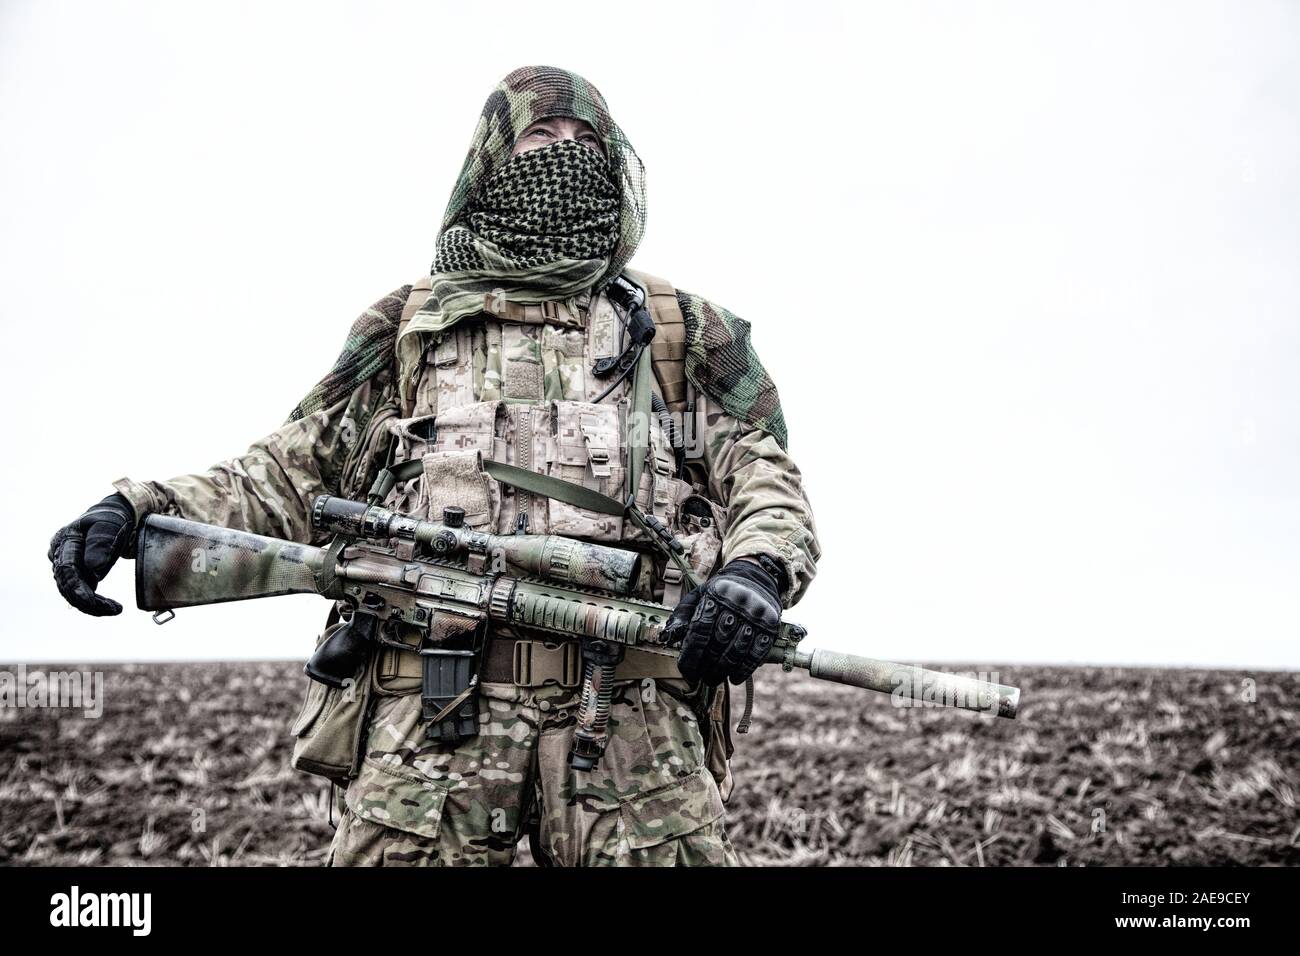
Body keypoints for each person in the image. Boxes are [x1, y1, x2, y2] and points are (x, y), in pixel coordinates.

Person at [48, 65, 820, 866]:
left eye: (586, 141)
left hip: (627, 716)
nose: (566, 153)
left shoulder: (675, 330)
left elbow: (760, 471)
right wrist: (141, 509)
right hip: (432, 707)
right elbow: (296, 469)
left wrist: (756, 573)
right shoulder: (410, 325)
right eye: (540, 137)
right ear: (492, 157)